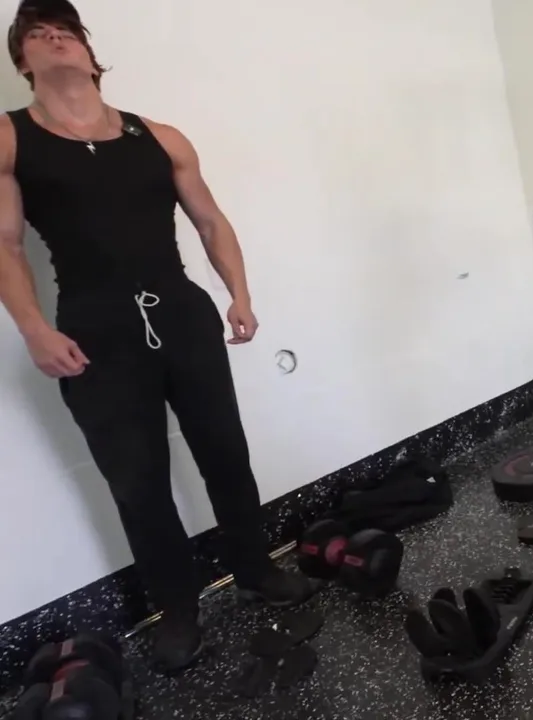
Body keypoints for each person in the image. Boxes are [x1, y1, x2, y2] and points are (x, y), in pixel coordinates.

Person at [0, 1, 313, 674]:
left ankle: (256, 568)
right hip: (93, 332)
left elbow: (210, 220)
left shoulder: (160, 136)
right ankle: (177, 609)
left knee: (225, 452)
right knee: (137, 480)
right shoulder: (9, 137)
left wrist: (239, 294)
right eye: (37, 34)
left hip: (181, 315)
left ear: (90, 55)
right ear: (23, 60)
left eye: (65, 31)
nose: (54, 39)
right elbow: (5, 243)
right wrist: (34, 328)